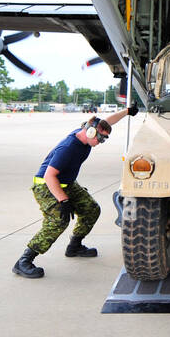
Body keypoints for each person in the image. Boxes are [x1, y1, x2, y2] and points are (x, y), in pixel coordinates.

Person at [13, 105, 138, 278]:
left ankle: (75, 246)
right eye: (101, 139)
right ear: (92, 133)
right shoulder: (68, 148)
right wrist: (63, 201)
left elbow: (108, 121)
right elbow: (49, 176)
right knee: (58, 221)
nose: (101, 143)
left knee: (91, 210)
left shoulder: (88, 133)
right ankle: (24, 261)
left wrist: (128, 111)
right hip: (47, 186)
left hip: (67, 183)